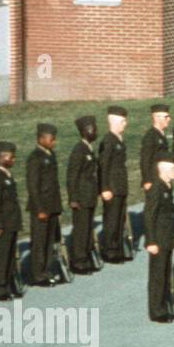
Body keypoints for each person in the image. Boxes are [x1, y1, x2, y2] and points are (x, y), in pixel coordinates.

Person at [143, 153, 174, 323]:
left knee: (165, 273)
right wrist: (150, 240)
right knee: (159, 275)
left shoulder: (170, 185)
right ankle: (159, 309)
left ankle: (164, 306)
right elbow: (150, 214)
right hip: (161, 237)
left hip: (170, 234)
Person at [27, 123, 63, 286]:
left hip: (52, 206)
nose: (54, 142)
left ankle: (47, 271)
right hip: (41, 207)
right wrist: (40, 208)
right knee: (39, 242)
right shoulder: (35, 158)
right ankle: (37, 275)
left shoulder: (51, 155)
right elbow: (33, 186)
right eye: (51, 139)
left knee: (49, 242)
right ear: (41, 138)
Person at [66, 115, 101, 275]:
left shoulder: (88, 148)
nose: (96, 131)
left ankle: (86, 258)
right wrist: (73, 198)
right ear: (85, 131)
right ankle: (78, 261)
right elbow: (72, 175)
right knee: (81, 230)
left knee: (87, 228)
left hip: (89, 196)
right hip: (81, 198)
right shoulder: (79, 150)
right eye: (93, 128)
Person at [98, 106, 130, 262]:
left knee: (119, 219)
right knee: (112, 220)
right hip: (113, 187)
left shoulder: (118, 140)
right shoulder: (109, 141)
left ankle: (117, 248)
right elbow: (103, 166)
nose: (126, 124)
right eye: (123, 121)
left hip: (120, 186)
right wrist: (104, 188)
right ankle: (110, 250)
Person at [0, 142, 22, 300]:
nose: (14, 159)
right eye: (11, 156)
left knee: (10, 255)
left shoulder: (7, 174)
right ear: (1, 157)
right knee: (1, 256)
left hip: (12, 222)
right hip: (3, 225)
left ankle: (8, 284)